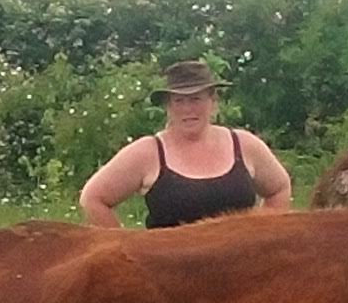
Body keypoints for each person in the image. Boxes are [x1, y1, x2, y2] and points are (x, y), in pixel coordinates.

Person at [77, 60, 290, 231]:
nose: (188, 109)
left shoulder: (244, 145)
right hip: (167, 277)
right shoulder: (147, 152)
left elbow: (279, 188)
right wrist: (128, 251)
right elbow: (93, 198)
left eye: (196, 99)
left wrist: (264, 237)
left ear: (212, 101)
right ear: (168, 106)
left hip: (241, 272)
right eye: (179, 101)